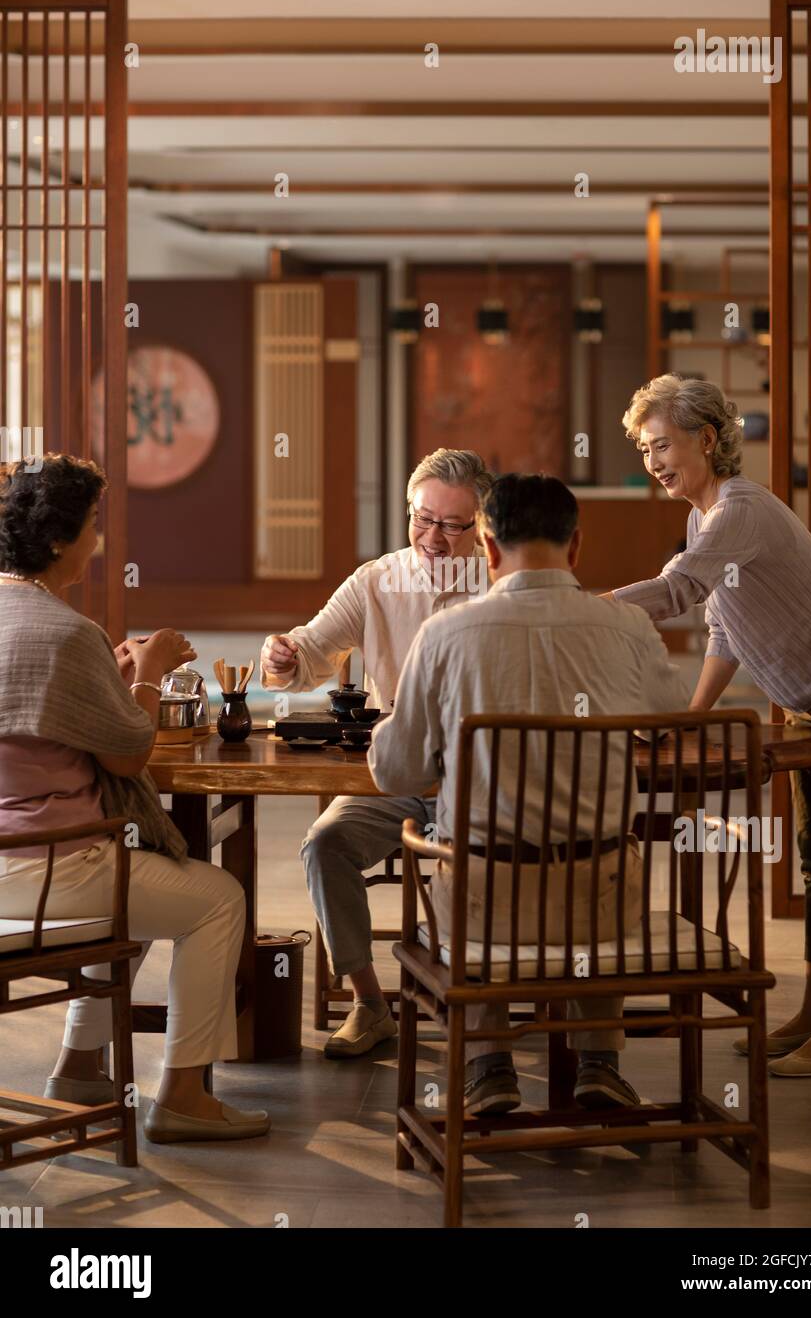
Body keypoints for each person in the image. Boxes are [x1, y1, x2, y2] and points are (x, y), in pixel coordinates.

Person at [368, 473, 691, 1115]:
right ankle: (599, 1060)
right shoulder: (625, 626)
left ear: (487, 547)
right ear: (576, 548)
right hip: (598, 903)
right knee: (606, 851)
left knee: (462, 853)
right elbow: (669, 718)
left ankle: (488, 1065)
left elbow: (396, 773)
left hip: (486, 902)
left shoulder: (445, 635)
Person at [0, 454, 269, 1142]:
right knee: (213, 899)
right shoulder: (67, 631)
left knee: (141, 876)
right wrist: (147, 671)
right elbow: (127, 752)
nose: (100, 542)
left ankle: (80, 1064)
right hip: (49, 877)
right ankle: (182, 1095)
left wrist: (109, 677)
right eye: (94, 526)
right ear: (61, 541)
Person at [611, 373, 811, 1079]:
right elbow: (723, 627)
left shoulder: (740, 511)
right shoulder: (704, 518)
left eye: (662, 444)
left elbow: (680, 591)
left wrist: (590, 607)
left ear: (709, 438)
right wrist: (687, 720)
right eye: (643, 448)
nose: (653, 461)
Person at [261, 448, 493, 1058]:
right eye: (422, 519)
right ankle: (370, 1002)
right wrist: (283, 657)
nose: (433, 537)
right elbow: (308, 653)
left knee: (474, 861)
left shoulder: (501, 584)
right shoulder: (377, 579)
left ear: (482, 525)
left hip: (482, 779)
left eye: (451, 524)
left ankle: (476, 1006)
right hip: (395, 775)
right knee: (325, 843)